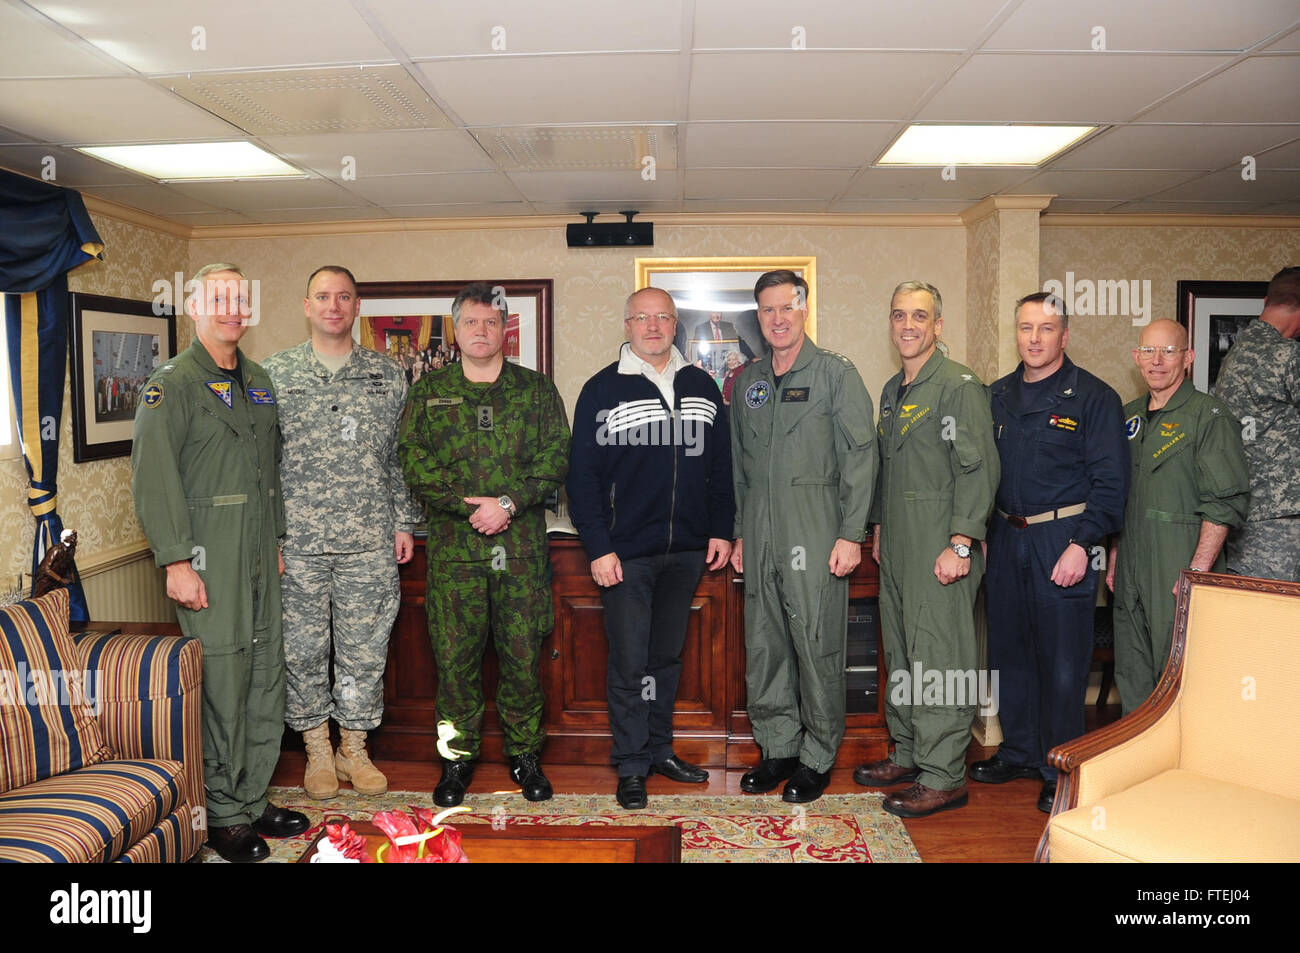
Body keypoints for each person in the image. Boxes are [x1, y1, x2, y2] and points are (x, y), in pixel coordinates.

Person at [132, 263, 308, 863]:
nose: (232, 307)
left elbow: (271, 472)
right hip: (209, 555)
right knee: (222, 680)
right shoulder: (172, 383)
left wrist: (278, 540)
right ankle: (222, 814)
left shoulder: (258, 379)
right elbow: (154, 479)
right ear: (194, 306)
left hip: (260, 550)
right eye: (219, 298)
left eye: (240, 297)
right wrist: (177, 561)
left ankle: (253, 797)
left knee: (264, 672)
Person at [399, 282, 570, 806]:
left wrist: (509, 504)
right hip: (455, 554)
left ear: (504, 330)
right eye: (471, 322)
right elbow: (412, 459)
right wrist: (465, 504)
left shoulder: (535, 389)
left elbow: (557, 457)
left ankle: (525, 757)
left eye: (491, 322)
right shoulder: (429, 391)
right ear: (456, 329)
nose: (481, 330)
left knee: (522, 659)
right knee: (455, 664)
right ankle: (456, 762)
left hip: (519, 553)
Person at [568, 287, 735, 810]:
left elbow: (721, 467)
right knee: (629, 663)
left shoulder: (701, 385)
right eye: (642, 317)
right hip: (626, 555)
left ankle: (660, 749)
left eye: (663, 316)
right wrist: (598, 546)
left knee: (666, 659)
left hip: (686, 552)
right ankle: (632, 763)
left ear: (675, 324)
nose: (653, 325)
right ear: (627, 325)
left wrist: (721, 529)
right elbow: (582, 479)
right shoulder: (601, 390)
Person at [262, 266, 422, 801]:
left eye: (344, 297)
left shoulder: (387, 375)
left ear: (358, 308)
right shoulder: (273, 375)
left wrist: (403, 520)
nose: (334, 306)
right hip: (298, 544)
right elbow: (261, 463)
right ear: (306, 306)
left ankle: (354, 748)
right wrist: (271, 537)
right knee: (303, 650)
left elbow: (398, 459)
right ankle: (317, 750)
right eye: (323, 297)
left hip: (370, 539)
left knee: (364, 650)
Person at [972, 292, 1128, 813]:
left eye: (1046, 328)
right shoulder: (996, 395)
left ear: (1065, 335)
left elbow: (1110, 483)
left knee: (1062, 663)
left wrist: (1083, 545)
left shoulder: (1093, 397)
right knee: (1010, 652)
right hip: (1006, 537)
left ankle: (1059, 766)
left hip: (1063, 542)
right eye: (1025, 328)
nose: (1034, 339)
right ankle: (1017, 750)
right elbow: (982, 475)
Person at [729, 270, 876, 804]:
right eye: (767, 310)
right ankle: (778, 749)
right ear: (759, 316)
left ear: (805, 308)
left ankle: (817, 756)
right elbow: (739, 468)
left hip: (817, 529)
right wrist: (742, 532)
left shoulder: (835, 373)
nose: (777, 318)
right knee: (765, 645)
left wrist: (851, 534)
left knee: (815, 644)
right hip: (762, 531)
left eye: (786, 307)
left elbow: (862, 456)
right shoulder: (749, 382)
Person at [854, 280, 998, 818]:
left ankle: (944, 776)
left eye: (919, 316)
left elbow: (978, 468)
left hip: (942, 543)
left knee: (940, 655)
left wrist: (960, 543)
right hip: (898, 544)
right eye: (899, 316)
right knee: (905, 653)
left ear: (938, 325)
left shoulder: (958, 385)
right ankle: (911, 753)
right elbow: (887, 470)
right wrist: (877, 530)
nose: (907, 325)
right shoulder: (895, 389)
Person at [1109, 319, 1250, 713]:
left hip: (1179, 560)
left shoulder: (1209, 416)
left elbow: (1225, 501)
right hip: (1132, 562)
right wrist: (1117, 556)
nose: (1157, 361)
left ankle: (1180, 770)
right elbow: (1119, 494)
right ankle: (1139, 765)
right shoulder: (1127, 416)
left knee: (1182, 674)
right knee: (1133, 671)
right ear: (1136, 357)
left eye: (1168, 351)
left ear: (1187, 358)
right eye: (1148, 351)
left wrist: (1196, 573)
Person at [1214, 266, 1300, 582]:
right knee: (1280, 617)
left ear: (1267, 300)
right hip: (1282, 515)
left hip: (1243, 511)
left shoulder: (1238, 351)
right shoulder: (1287, 354)